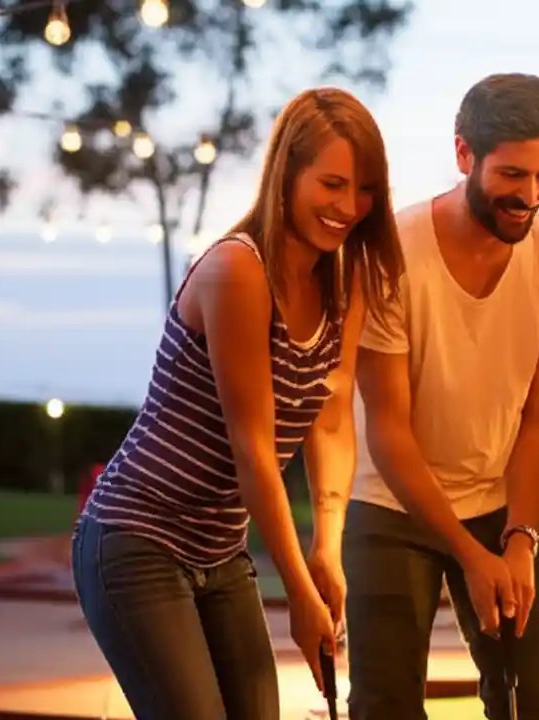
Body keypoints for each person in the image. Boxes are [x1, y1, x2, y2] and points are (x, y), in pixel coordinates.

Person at [71, 87, 404, 720]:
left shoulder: (346, 279)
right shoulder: (238, 271)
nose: (348, 207)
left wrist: (326, 548)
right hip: (137, 537)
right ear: (287, 174)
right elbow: (253, 448)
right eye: (331, 184)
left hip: (221, 549)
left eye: (364, 190)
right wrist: (298, 591)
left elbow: (331, 418)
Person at [344, 72, 539, 720]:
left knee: (531, 702)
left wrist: (521, 539)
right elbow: (387, 428)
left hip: (504, 504)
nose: (530, 196)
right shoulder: (390, 254)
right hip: (391, 504)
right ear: (464, 153)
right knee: (385, 705)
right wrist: (466, 553)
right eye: (512, 175)